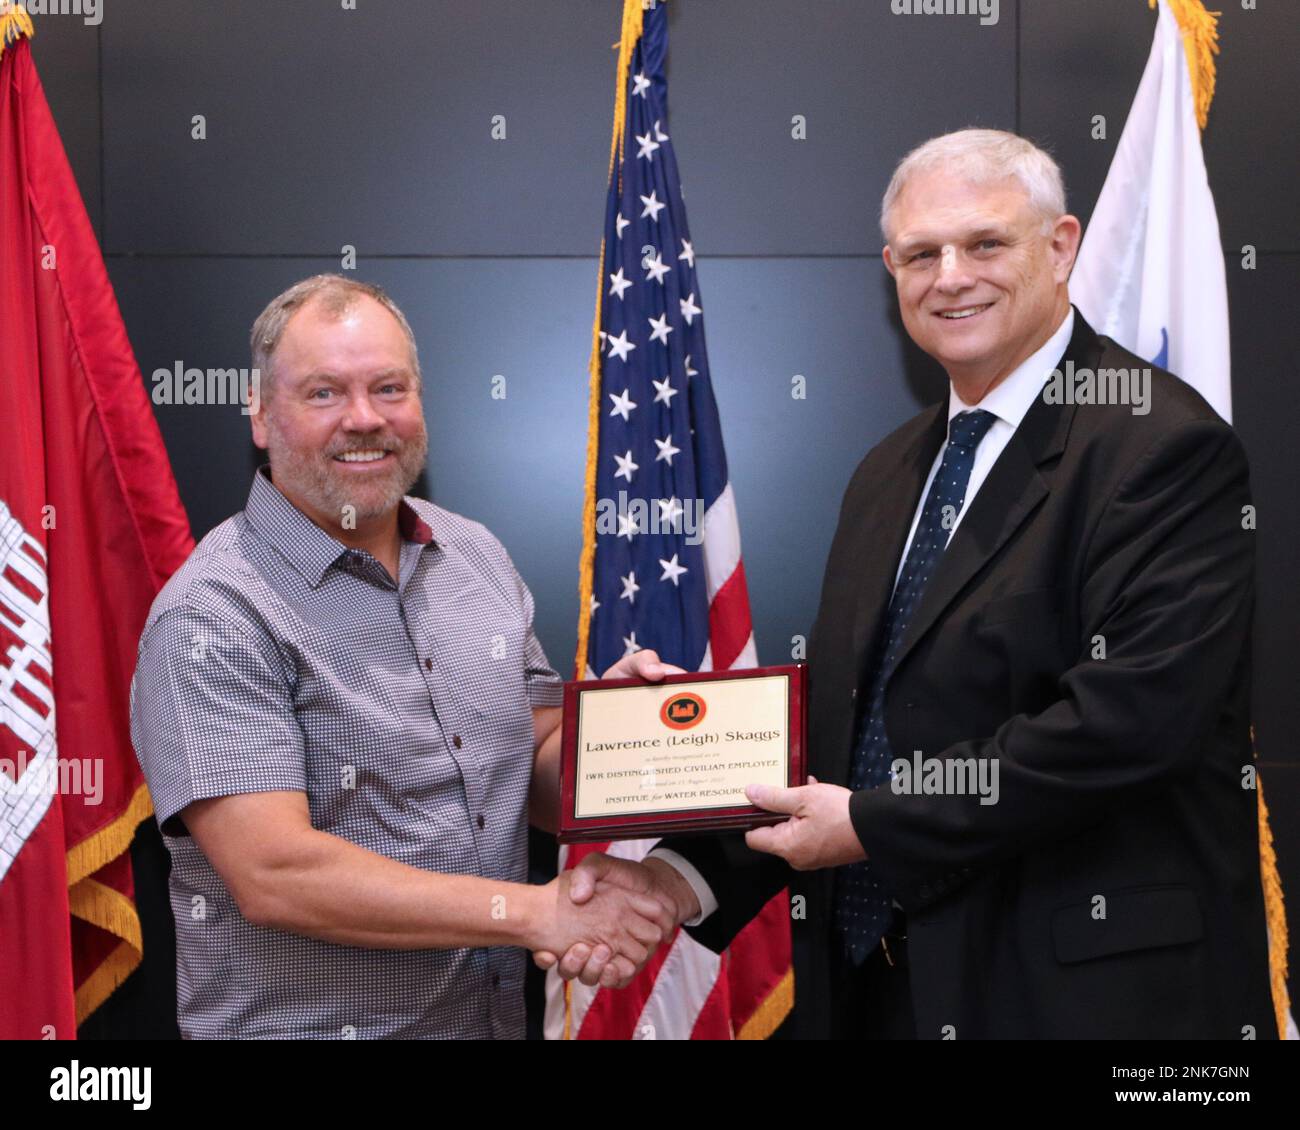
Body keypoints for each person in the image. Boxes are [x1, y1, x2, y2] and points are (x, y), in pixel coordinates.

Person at [552, 129, 1277, 1040]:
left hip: (1078, 1001)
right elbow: (843, 735)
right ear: (890, 269)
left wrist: (870, 826)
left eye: (985, 244)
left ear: (1060, 248)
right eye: (921, 254)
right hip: (880, 992)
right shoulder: (891, 470)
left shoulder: (1160, 446)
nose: (951, 277)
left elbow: (1129, 726)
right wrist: (678, 874)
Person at [129, 274, 680, 1038]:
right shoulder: (214, 612)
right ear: (259, 413)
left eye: (389, 388)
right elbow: (274, 874)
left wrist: (619, 737)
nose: (364, 419)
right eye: (323, 393)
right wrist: (532, 914)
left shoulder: (474, 554)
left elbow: (535, 766)